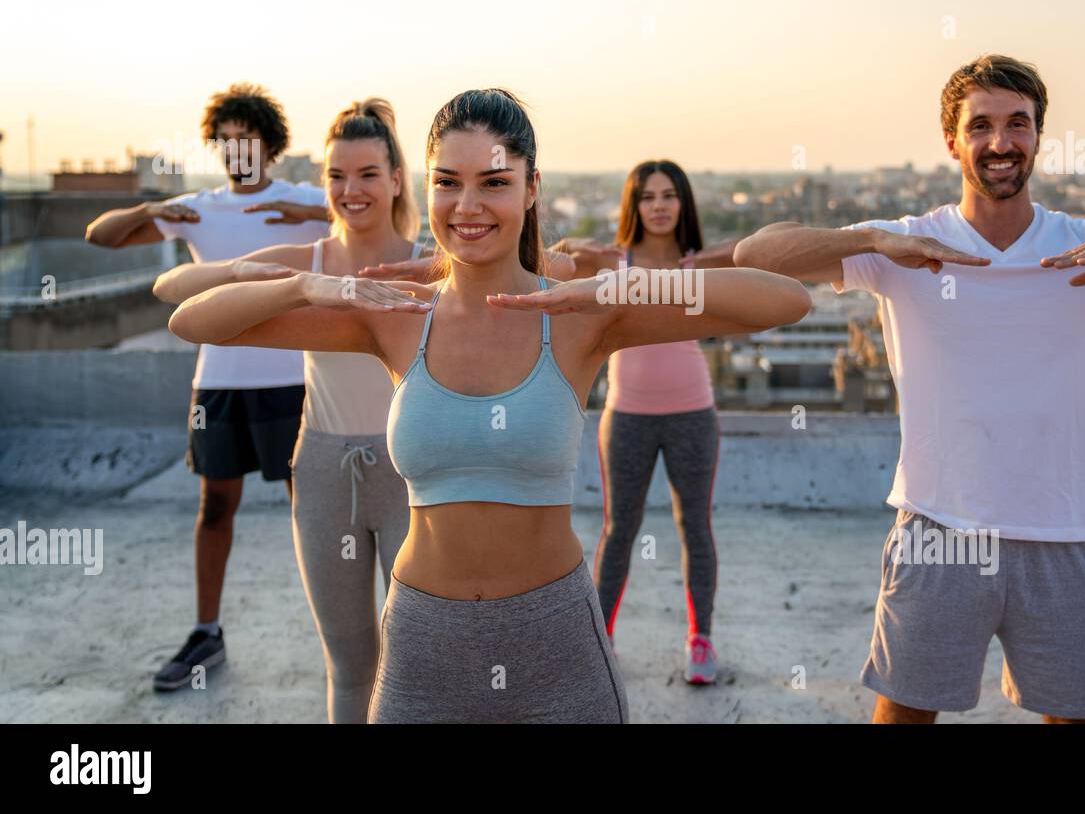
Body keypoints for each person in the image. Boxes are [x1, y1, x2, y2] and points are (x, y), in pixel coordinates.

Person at [167, 88, 811, 723]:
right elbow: (193, 320)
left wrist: (617, 284)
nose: (468, 206)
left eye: (494, 182)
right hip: (423, 644)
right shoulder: (392, 318)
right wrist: (303, 284)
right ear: (425, 186)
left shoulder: (583, 318)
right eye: (448, 182)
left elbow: (783, 299)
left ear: (532, 189)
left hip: (555, 641)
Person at [734, 54, 1085, 723]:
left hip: (1065, 537)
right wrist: (878, 237)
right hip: (939, 533)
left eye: (1018, 124)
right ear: (952, 141)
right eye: (982, 126)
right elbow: (754, 256)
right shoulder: (907, 243)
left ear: (1037, 137)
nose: (1001, 142)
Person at [153, 98, 421, 722]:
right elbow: (172, 292)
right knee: (350, 664)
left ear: (397, 178)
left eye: (367, 174)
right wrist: (296, 285)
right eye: (335, 176)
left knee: (412, 663)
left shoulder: (429, 261)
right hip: (324, 472)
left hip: (411, 474)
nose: (350, 190)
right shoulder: (311, 261)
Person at [85, 83, 330, 691]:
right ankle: (206, 633)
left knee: (319, 517)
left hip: (295, 382)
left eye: (247, 138)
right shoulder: (199, 207)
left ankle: (344, 636)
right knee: (215, 506)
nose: (236, 149)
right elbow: (101, 236)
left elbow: (384, 217)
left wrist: (318, 214)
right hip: (220, 383)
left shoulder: (306, 198)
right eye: (226, 140)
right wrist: (149, 212)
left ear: (268, 144)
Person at [553, 160, 738, 684]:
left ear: (683, 204)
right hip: (627, 414)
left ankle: (700, 640)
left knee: (695, 528)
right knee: (619, 531)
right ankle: (601, 640)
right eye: (648, 196)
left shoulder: (699, 264)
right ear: (633, 206)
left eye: (669, 195)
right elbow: (557, 255)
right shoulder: (613, 260)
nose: (659, 205)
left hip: (692, 413)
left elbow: (761, 258)